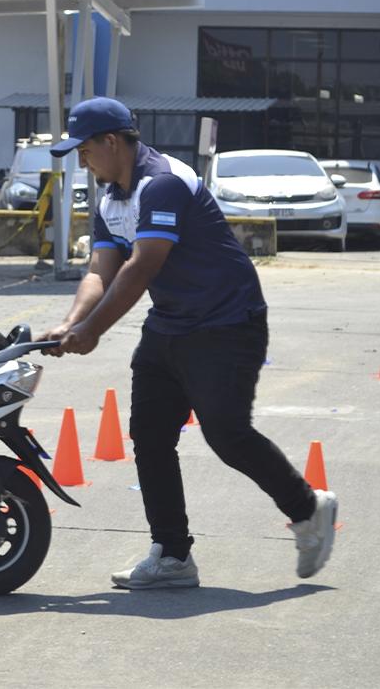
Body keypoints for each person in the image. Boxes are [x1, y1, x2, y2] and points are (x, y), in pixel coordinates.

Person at [39, 97, 337, 588]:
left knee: (226, 434)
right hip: (171, 324)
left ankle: (309, 508)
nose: (81, 161)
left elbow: (143, 266)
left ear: (111, 142)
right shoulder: (110, 194)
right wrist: (69, 321)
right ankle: (173, 556)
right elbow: (102, 268)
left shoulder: (164, 182)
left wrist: (92, 331)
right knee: (150, 436)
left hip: (227, 322)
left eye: (85, 150)